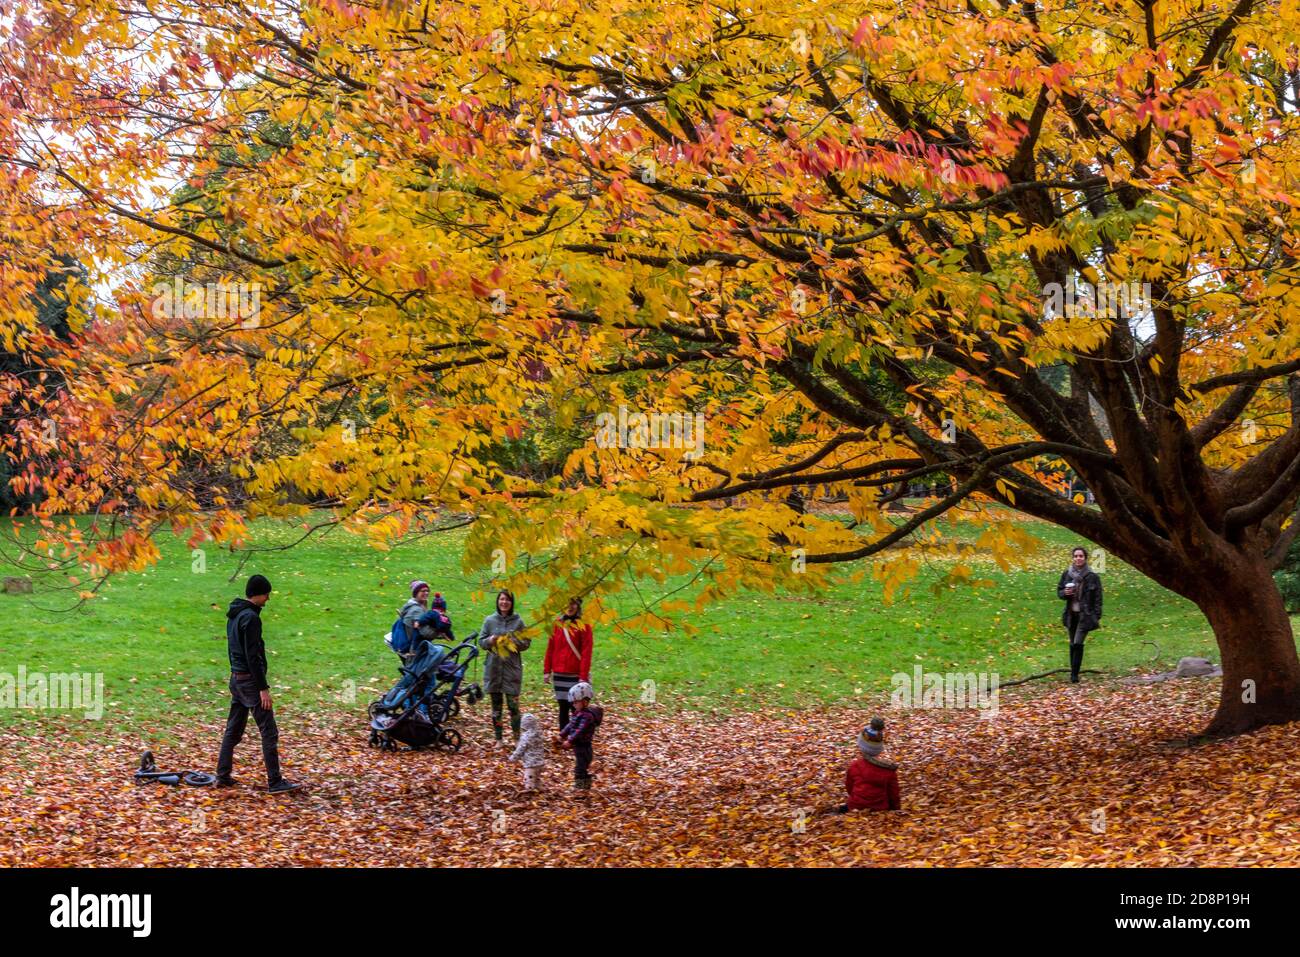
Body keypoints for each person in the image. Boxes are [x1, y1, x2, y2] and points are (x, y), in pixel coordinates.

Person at [215, 575, 302, 793]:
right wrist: (263, 688)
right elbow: (252, 656)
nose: (268, 599)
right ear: (258, 594)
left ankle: (222, 775)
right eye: (266, 595)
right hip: (250, 682)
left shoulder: (234, 615)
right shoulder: (251, 618)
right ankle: (275, 781)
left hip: (236, 679)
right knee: (269, 731)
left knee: (233, 730)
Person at [478, 589, 530, 744]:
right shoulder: (489, 620)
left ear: (512, 602)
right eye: (501, 599)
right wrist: (490, 641)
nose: (504, 602)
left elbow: (526, 642)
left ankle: (516, 739)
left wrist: (514, 642)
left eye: (507, 600)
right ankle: (499, 739)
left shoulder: (518, 622)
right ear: (497, 601)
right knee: (496, 708)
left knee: (513, 707)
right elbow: (481, 641)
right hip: (493, 669)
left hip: (511, 670)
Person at [543, 597, 594, 730]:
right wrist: (547, 670)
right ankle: (563, 736)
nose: (569, 607)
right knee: (563, 707)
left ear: (578, 606)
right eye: (566, 603)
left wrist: (583, 676)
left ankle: (577, 736)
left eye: (573, 604)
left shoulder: (584, 625)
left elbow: (586, 652)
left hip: (575, 674)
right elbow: (550, 648)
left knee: (576, 708)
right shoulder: (557, 624)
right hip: (559, 673)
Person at [832, 717, 899, 813]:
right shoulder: (888, 770)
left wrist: (858, 798)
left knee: (843, 809)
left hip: (855, 806)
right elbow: (893, 794)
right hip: (880, 809)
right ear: (879, 748)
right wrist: (895, 809)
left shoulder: (855, 766)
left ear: (861, 746)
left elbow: (850, 787)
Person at [1057, 546, 1103, 682]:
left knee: (1078, 643)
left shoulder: (1092, 576)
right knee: (1072, 643)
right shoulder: (1067, 574)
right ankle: (1073, 671)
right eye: (1076, 556)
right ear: (1073, 558)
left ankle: (1074, 675)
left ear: (1085, 558)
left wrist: (1096, 615)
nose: (1078, 558)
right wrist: (1064, 593)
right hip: (1071, 615)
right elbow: (1059, 591)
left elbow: (1098, 598)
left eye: (1081, 556)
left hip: (1085, 616)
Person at [555, 682, 603, 791]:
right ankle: (584, 786)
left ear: (585, 701)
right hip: (579, 746)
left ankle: (582, 790)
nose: (574, 705)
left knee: (580, 769)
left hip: (584, 747)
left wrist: (570, 741)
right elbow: (571, 725)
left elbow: (579, 731)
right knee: (581, 768)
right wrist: (562, 735)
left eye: (576, 702)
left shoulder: (587, 717)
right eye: (573, 703)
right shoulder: (579, 713)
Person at [509, 713, 547, 791]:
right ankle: (540, 789)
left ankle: (529, 791)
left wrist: (513, 758)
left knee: (529, 779)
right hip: (540, 762)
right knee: (536, 778)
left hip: (531, 764)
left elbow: (520, 749)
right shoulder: (538, 734)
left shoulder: (525, 737)